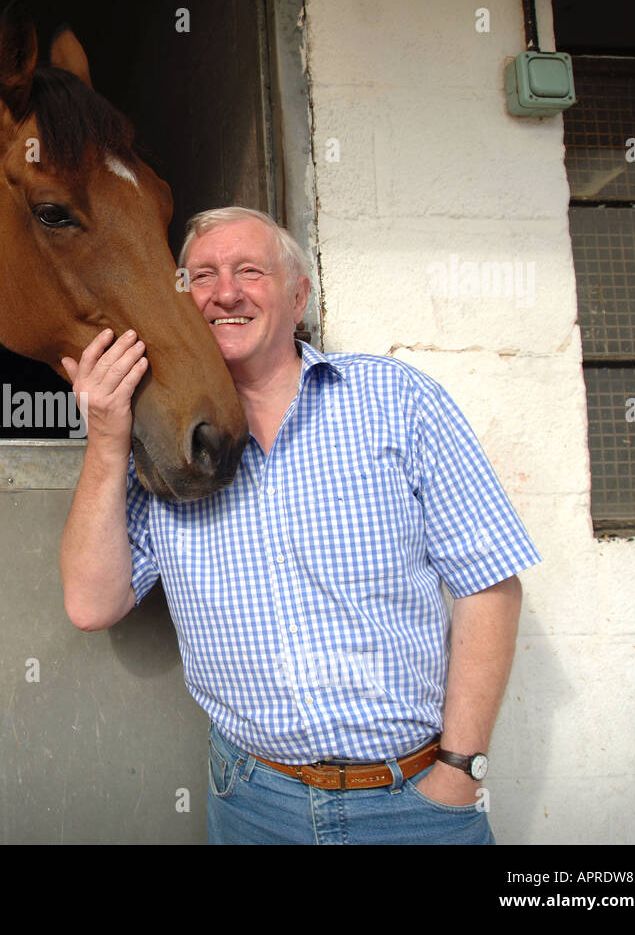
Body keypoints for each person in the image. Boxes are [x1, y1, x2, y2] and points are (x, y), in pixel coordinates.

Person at [58, 206, 541, 844]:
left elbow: (489, 585)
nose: (224, 292)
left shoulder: (397, 400)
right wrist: (107, 439)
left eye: (249, 271)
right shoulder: (164, 445)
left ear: (298, 295)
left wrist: (460, 768)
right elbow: (93, 603)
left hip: (415, 803)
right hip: (255, 803)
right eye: (201, 276)